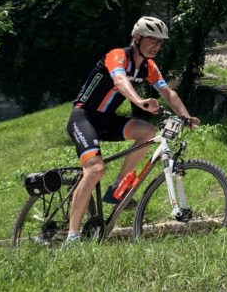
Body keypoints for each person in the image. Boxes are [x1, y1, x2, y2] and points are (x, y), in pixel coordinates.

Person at [65, 16, 201, 242]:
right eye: (152, 40)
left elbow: (168, 93)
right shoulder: (117, 55)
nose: (157, 46)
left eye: (160, 42)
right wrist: (140, 101)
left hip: (106, 119)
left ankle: (117, 188)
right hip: (82, 117)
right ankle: (72, 237)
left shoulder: (148, 66)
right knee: (95, 169)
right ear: (137, 38)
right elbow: (120, 81)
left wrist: (186, 117)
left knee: (147, 132)